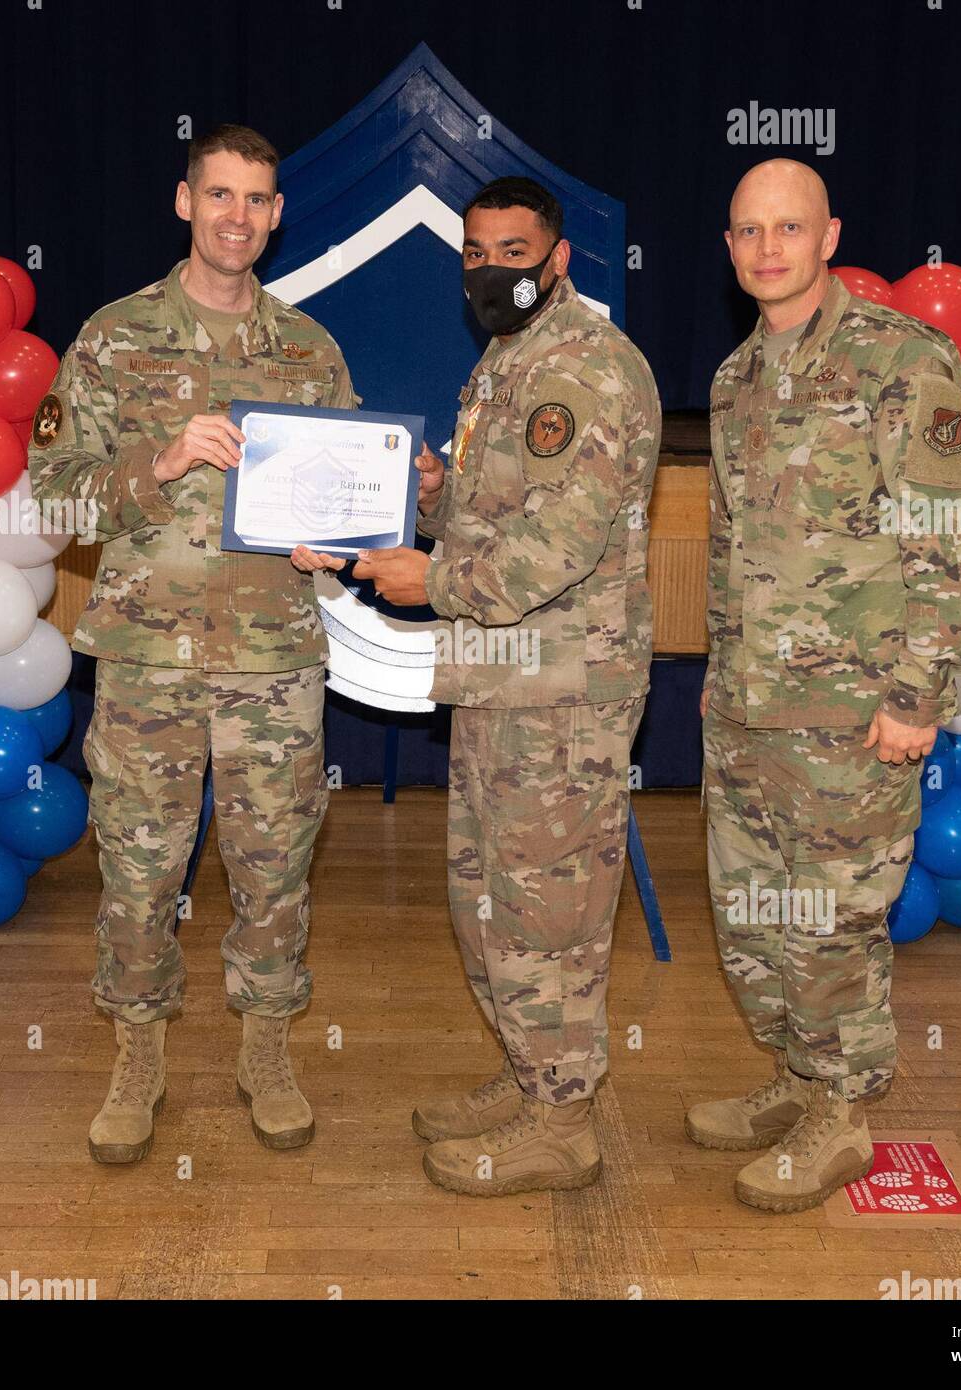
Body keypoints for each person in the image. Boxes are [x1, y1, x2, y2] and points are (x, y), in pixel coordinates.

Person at [295, 176, 661, 1195]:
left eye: (512, 251)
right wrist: (435, 498)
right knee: (489, 893)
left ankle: (562, 1121)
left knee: (552, 905)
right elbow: (502, 512)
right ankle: (529, 1070)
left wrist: (432, 575)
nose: (490, 270)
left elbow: (559, 542)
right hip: (502, 677)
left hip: (561, 690)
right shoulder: (507, 361)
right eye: (474, 253)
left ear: (558, 261)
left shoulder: (586, 367)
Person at [29, 124, 359, 1163]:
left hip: (273, 665)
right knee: (137, 869)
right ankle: (137, 1054)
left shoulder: (308, 348)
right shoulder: (112, 337)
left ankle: (265, 1048)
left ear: (275, 214)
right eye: (218, 195)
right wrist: (159, 460)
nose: (236, 217)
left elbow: (350, 492)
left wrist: (343, 540)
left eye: (255, 200)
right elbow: (51, 499)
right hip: (147, 662)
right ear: (185, 203)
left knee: (274, 868)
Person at [689, 158, 961, 1211]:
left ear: (828, 237)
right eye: (746, 231)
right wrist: (718, 680)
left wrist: (917, 698)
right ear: (730, 250)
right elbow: (730, 551)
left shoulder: (899, 359)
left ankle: (840, 1115)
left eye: (788, 227)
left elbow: (954, 543)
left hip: (853, 720)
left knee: (828, 925)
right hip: (747, 714)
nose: (766, 247)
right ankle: (793, 1072)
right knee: (752, 915)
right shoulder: (735, 380)